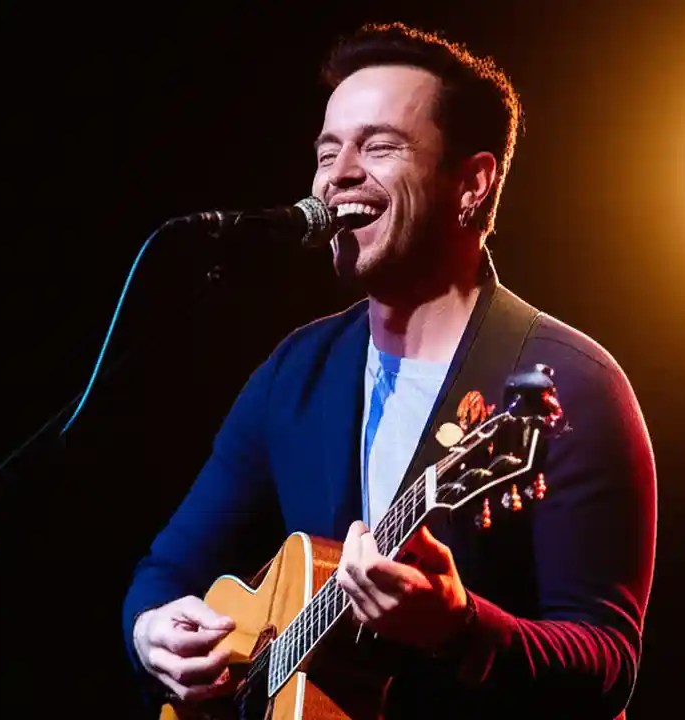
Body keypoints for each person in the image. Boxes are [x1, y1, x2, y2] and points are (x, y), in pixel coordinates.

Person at [121, 21, 656, 719]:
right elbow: (165, 570)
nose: (338, 172)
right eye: (327, 150)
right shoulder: (298, 373)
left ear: (471, 184)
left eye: (379, 147)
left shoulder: (565, 383)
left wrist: (460, 629)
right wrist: (151, 633)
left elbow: (607, 662)